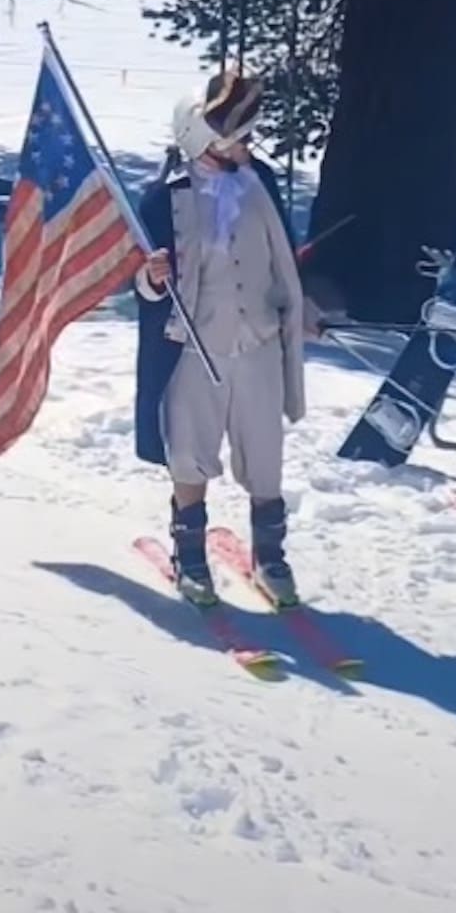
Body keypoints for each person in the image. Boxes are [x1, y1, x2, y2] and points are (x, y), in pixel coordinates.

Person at [132, 69, 318, 609]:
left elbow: (284, 262)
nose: (245, 146)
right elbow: (139, 282)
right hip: (194, 347)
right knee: (190, 454)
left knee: (264, 454)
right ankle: (190, 556)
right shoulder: (163, 198)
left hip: (258, 344)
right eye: (235, 137)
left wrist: (302, 307)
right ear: (201, 136)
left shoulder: (261, 185)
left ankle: (270, 556)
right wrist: (151, 278)